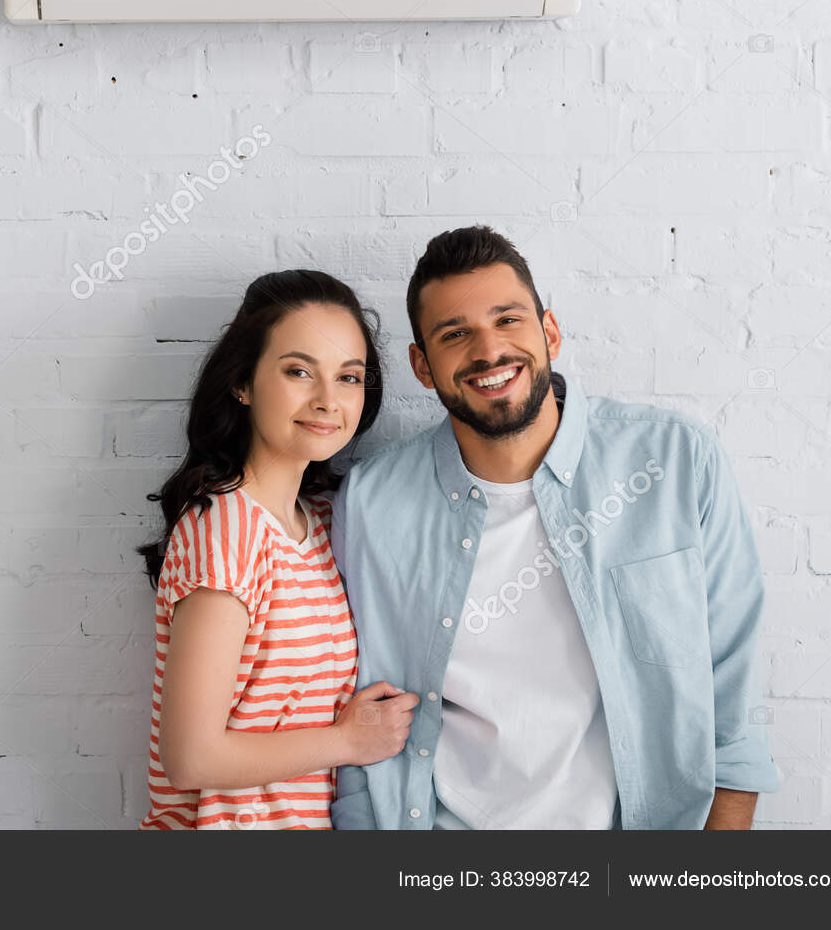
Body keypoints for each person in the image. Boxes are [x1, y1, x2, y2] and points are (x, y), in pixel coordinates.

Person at [329, 225, 782, 829]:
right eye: (455, 333)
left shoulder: (674, 463)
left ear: (550, 332)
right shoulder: (372, 501)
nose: (488, 351)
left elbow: (734, 693)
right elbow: (360, 709)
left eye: (508, 320)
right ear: (422, 365)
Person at [134, 269, 418, 829]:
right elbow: (190, 757)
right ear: (243, 382)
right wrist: (347, 741)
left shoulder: (319, 520)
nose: (327, 400)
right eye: (298, 371)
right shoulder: (225, 529)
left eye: (349, 377)